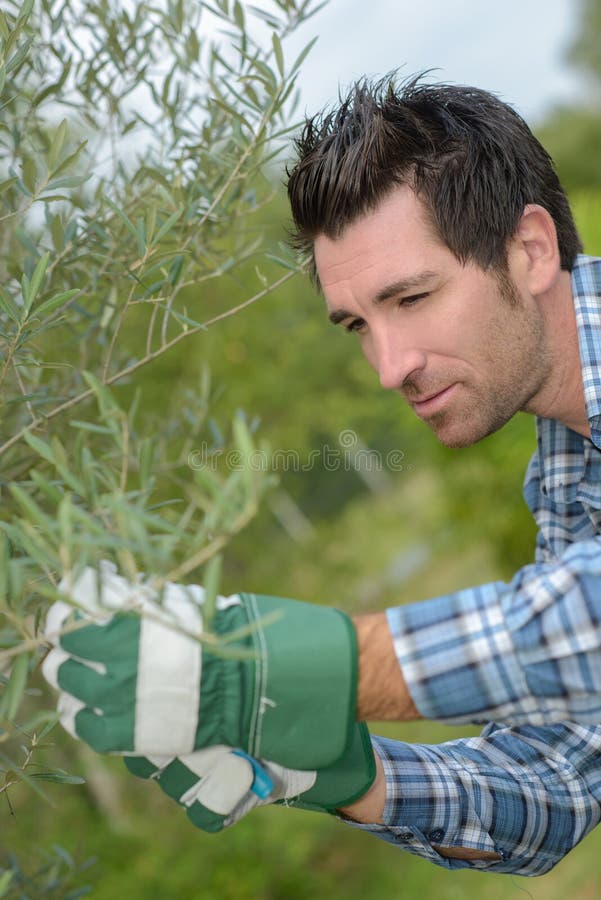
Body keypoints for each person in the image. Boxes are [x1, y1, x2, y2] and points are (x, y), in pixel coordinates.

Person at [42, 74, 601, 877]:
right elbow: (558, 785)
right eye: (357, 325)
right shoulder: (567, 474)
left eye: (410, 297)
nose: (387, 366)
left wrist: (309, 667)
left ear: (529, 250)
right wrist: (336, 768)